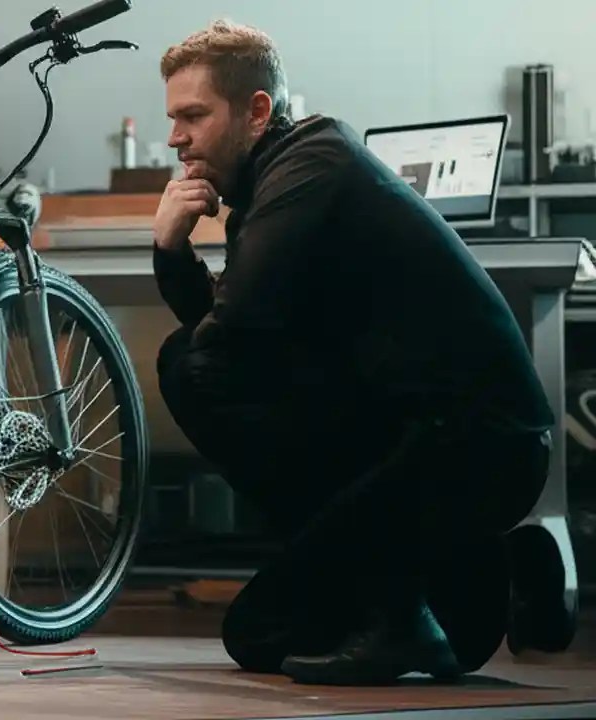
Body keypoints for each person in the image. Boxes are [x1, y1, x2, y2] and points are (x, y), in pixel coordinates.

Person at [152, 20, 553, 685]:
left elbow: (230, 338)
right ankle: (463, 580)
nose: (176, 138)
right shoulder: (273, 180)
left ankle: (401, 608)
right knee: (257, 636)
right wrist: (172, 250)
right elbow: (231, 338)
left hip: (478, 447)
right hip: (410, 439)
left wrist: (175, 256)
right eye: (173, 118)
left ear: (257, 111)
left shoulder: (312, 165)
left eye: (193, 115)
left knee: (191, 366)